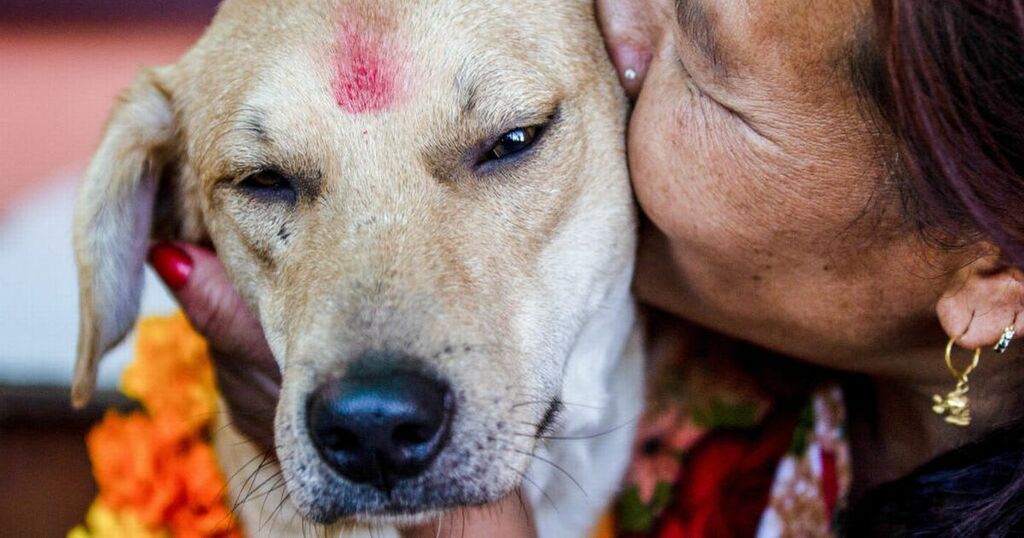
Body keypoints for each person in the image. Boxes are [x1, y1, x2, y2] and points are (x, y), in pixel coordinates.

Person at [144, 0, 1024, 535]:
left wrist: (458, 519)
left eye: (696, 64)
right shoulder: (685, 373)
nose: (610, 39)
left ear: (990, 274)